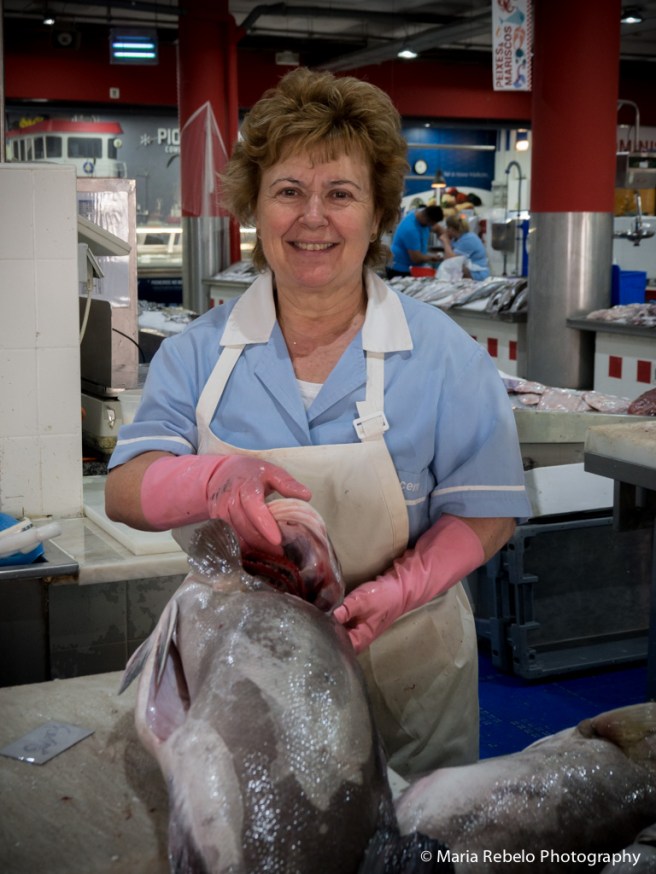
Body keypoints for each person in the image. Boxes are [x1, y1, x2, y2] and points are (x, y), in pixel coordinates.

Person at [105, 67, 531, 779]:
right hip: (239, 671)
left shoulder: (445, 354)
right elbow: (125, 489)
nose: (312, 218)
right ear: (255, 208)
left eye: (340, 194)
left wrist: (401, 588)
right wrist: (213, 478)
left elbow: (486, 510)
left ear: (376, 215)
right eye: (288, 192)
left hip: (405, 664)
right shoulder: (196, 354)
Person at [386, 204, 444, 279]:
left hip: (413, 267)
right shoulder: (411, 229)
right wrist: (432, 257)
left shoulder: (421, 213)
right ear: (427, 219)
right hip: (399, 270)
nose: (431, 226)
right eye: (431, 224)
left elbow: (437, 228)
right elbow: (416, 258)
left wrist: (444, 237)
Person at [438, 214, 491, 280]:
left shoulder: (468, 238)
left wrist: (446, 241)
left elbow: (451, 260)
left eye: (447, 228)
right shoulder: (456, 239)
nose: (446, 230)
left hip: (478, 273)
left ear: (451, 229)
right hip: (469, 271)